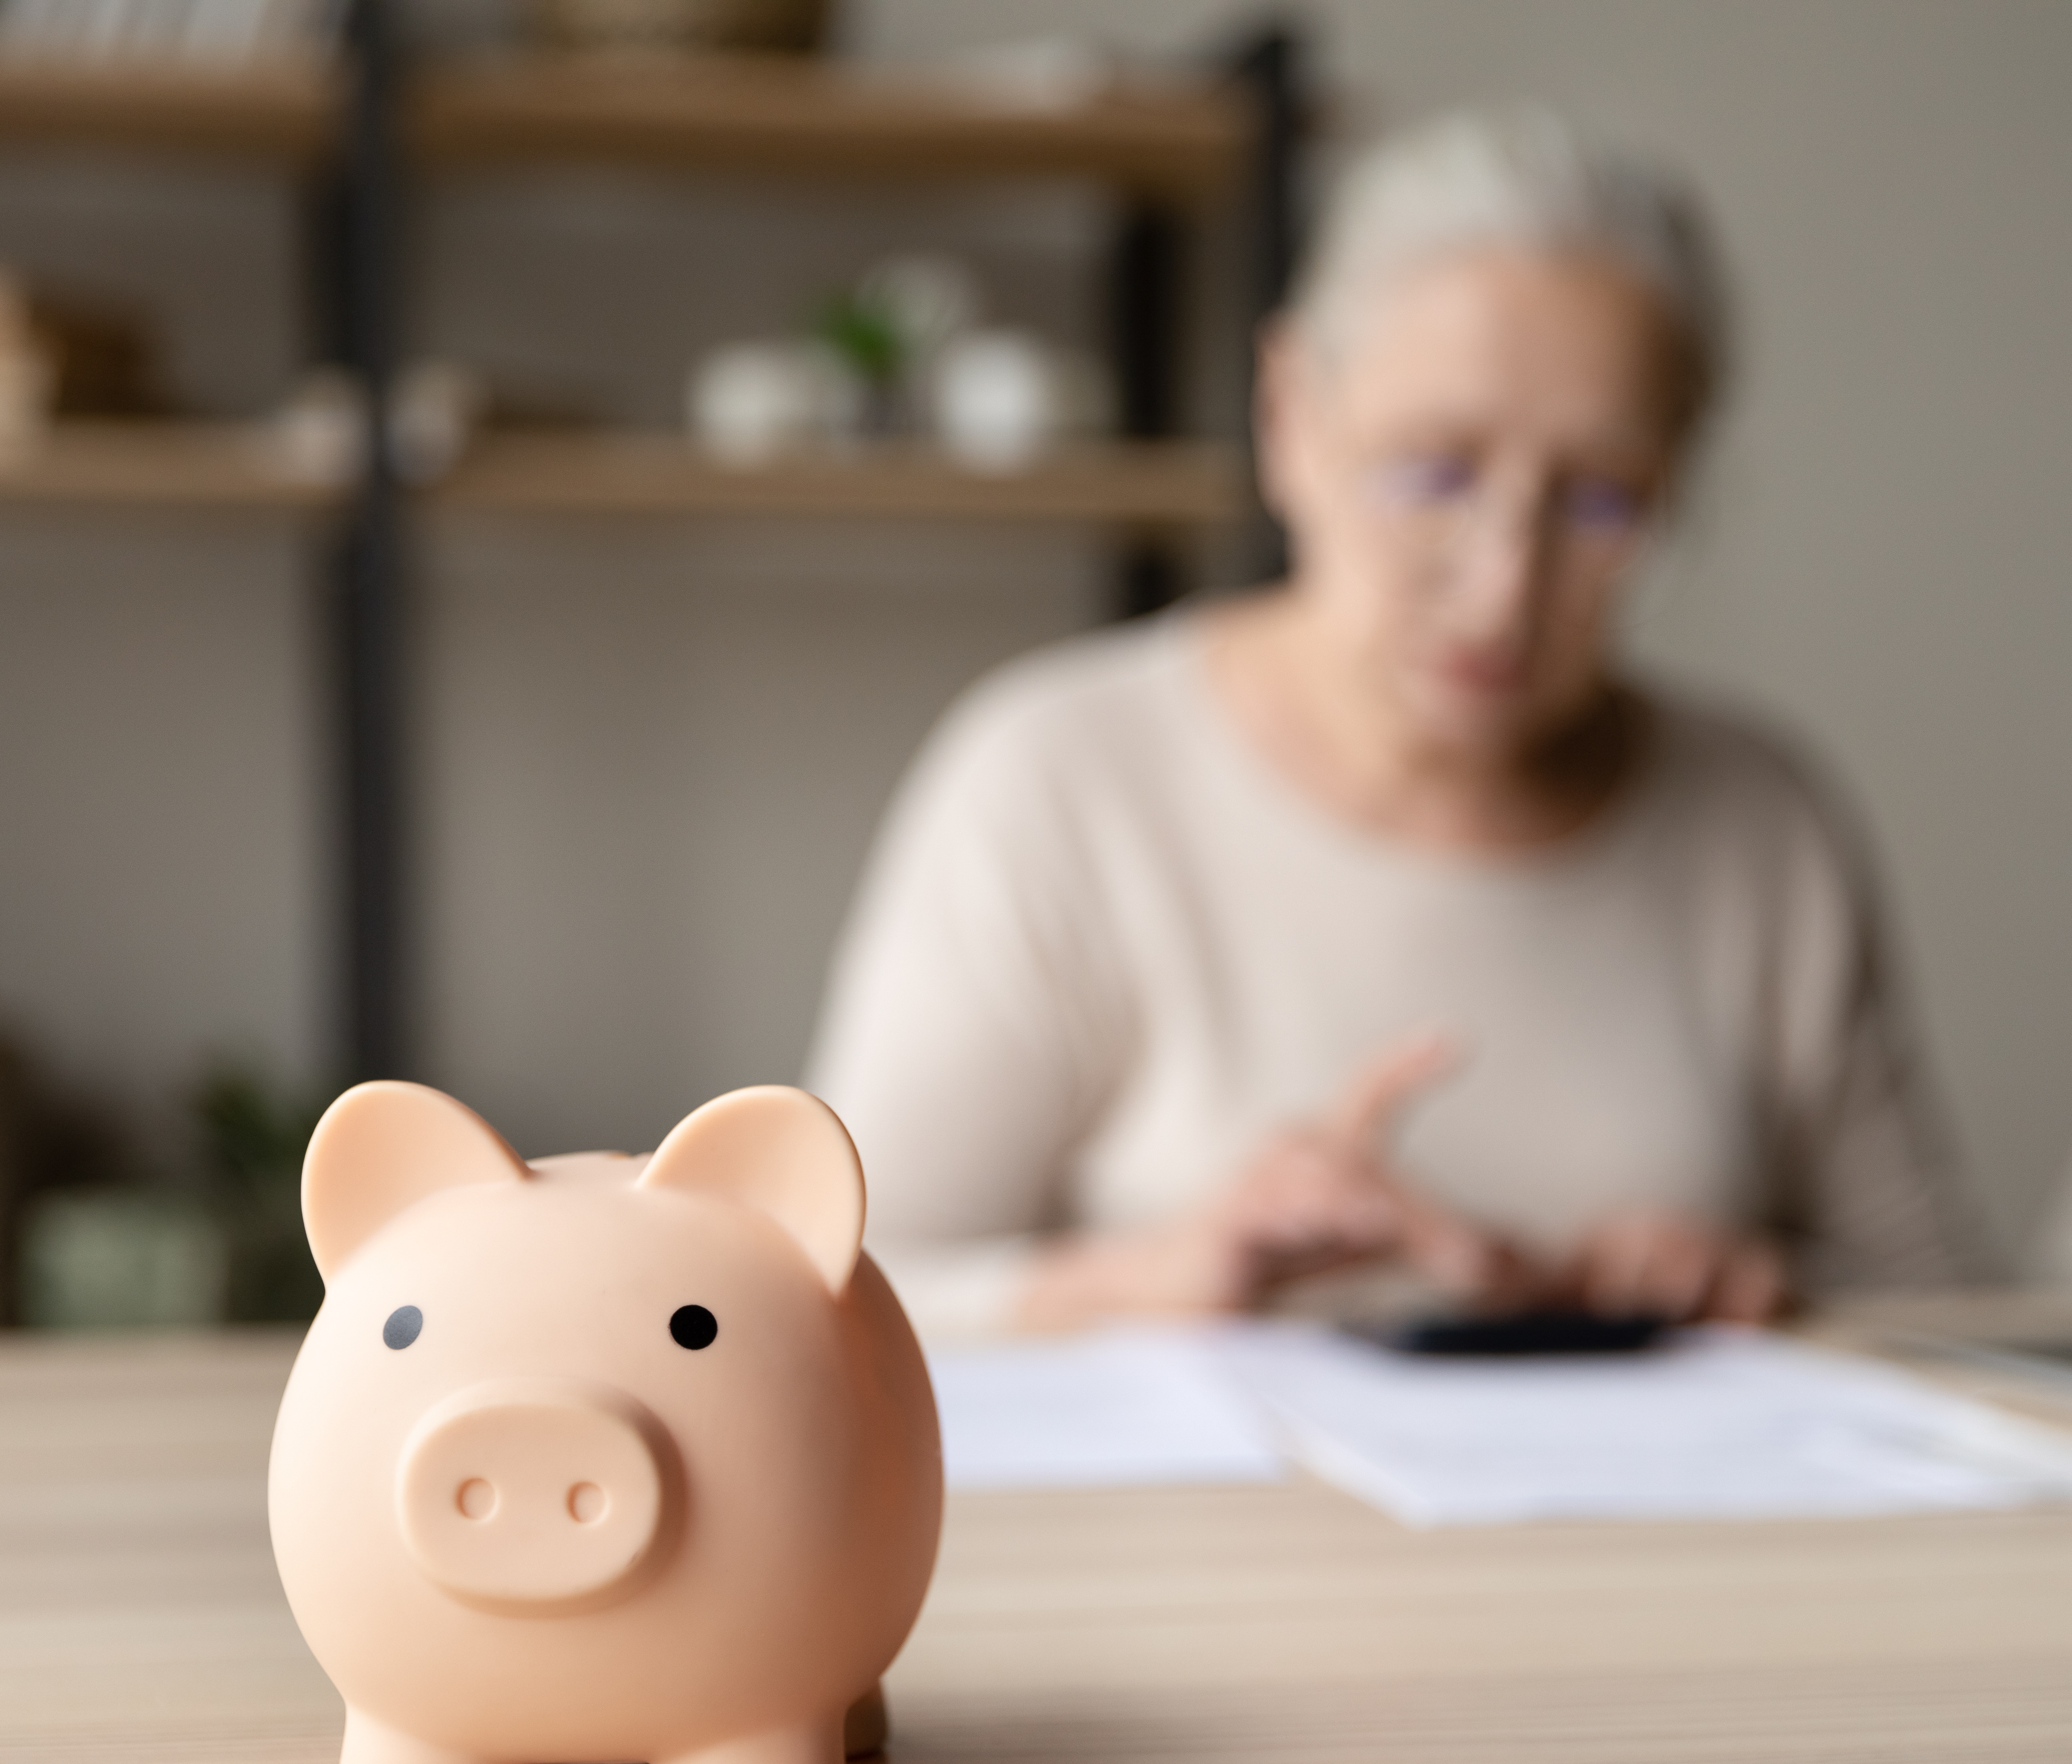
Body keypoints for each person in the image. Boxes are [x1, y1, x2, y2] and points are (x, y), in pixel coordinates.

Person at [808, 106, 1985, 1341]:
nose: (1503, 588)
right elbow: (824, 1298)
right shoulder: (1057, 781)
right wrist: (1152, 1279)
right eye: (1432, 472)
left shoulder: (1762, 818)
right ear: (1289, 418)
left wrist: (1761, 1292)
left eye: (1603, 502)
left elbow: (1957, 1312)